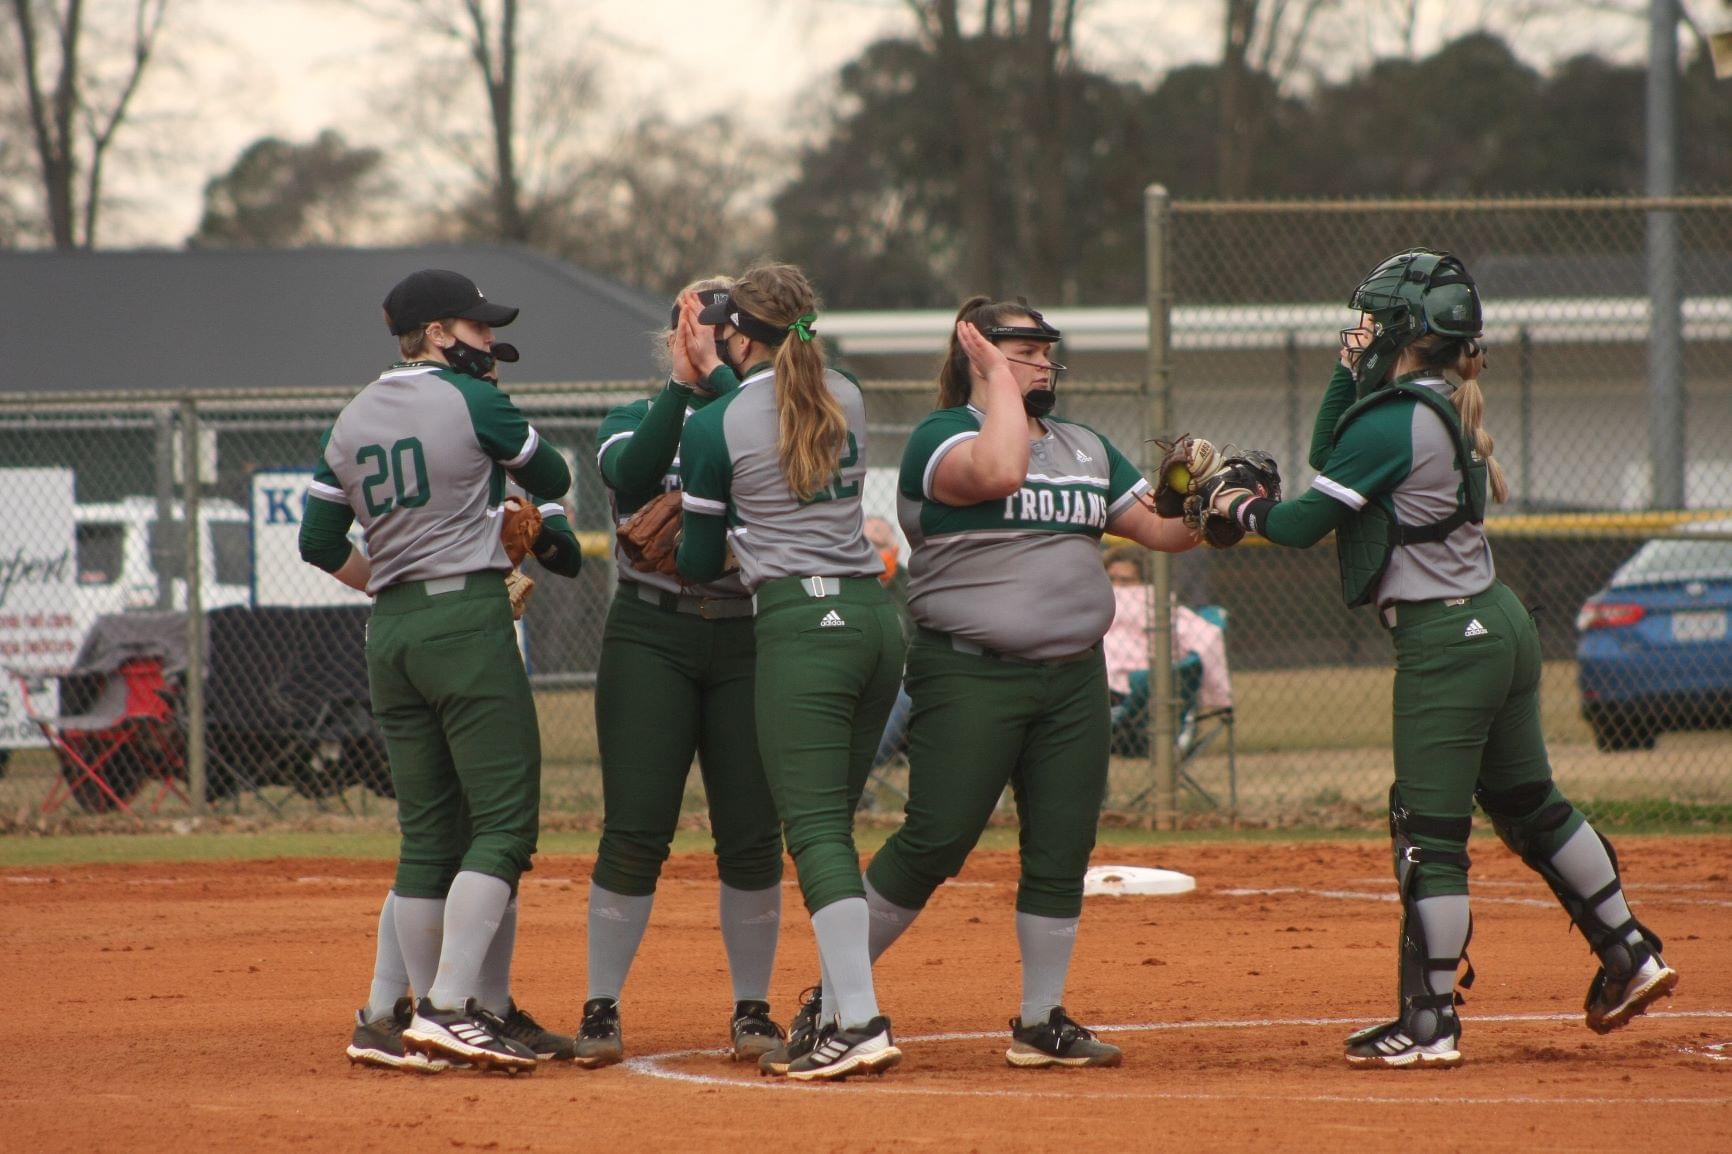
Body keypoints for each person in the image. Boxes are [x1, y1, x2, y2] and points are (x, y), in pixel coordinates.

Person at [1203, 248, 1679, 1068]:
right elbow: (1332, 449)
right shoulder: (1426, 404)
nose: (1363, 329)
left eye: (1375, 319)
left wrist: (1234, 503)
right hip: (1497, 623)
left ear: (1406, 330)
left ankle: (1428, 1023)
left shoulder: (1395, 420)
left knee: (1428, 832)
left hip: (1445, 639)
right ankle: (1629, 951)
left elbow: (1297, 523)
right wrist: (1346, 367)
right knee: (1532, 805)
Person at [859, 296, 1199, 1069]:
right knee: (936, 838)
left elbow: (1161, 530)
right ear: (974, 355)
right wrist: (994, 382)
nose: (1044, 362)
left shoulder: (1084, 446)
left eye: (1048, 350)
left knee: (1060, 847)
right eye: (1023, 351)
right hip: (972, 672)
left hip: (1073, 678)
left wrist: (1219, 506)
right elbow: (1001, 466)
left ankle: (1041, 1020)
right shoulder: (940, 438)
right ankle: (835, 995)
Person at [299, 268, 578, 1073]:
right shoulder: (471, 398)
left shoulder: (350, 417)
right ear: (434, 334)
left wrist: (389, 579)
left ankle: (409, 1016)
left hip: (392, 626)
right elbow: (553, 478)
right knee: (504, 825)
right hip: (466, 621)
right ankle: (452, 1008)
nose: (487, 342)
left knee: (427, 835)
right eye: (475, 327)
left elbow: (319, 543)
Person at [673, 262, 907, 1081]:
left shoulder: (717, 424)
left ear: (740, 335)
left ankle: (860, 1020)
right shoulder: (847, 389)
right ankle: (841, 1013)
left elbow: (698, 560)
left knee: (810, 833)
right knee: (829, 831)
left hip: (803, 626)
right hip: (876, 620)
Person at [573, 277, 787, 1069]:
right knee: (634, 829)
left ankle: (754, 1009)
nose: (707, 337)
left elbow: (770, 443)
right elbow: (631, 475)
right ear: (671, 340)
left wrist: (724, 381)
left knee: (752, 835)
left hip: (747, 635)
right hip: (650, 634)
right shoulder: (639, 414)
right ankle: (600, 1009)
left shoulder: (770, 413)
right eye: (692, 327)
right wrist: (683, 382)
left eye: (720, 326)